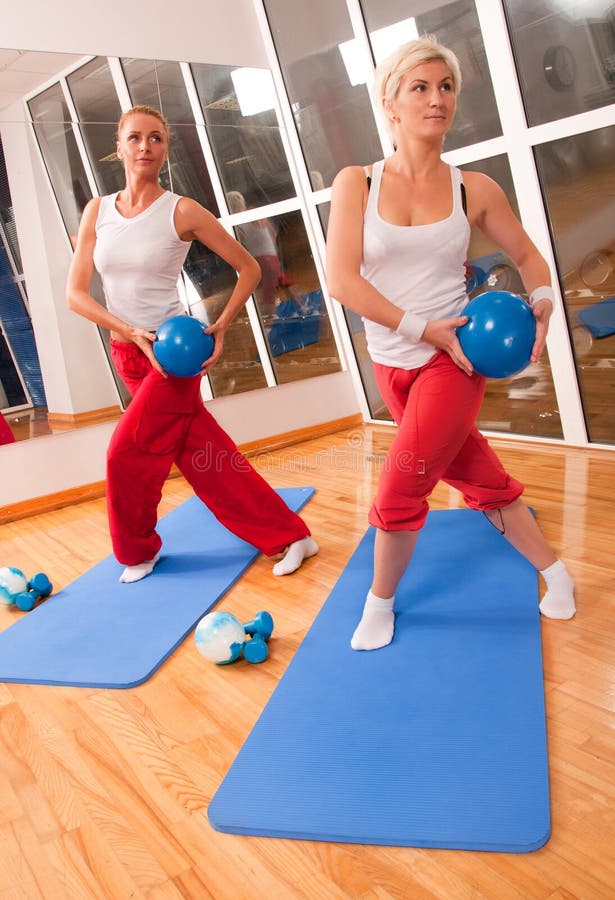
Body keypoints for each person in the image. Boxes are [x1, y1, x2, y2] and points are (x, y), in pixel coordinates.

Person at [326, 38, 575, 650]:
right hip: (392, 363)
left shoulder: (474, 188)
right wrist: (415, 328)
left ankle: (379, 601)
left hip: (454, 358)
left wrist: (542, 305)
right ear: (390, 102)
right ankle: (556, 573)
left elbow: (530, 258)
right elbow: (340, 281)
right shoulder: (356, 183)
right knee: (477, 475)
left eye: (445, 88)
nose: (436, 99)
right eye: (420, 88)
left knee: (401, 482)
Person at [67, 105, 317, 583]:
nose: (145, 146)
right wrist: (122, 328)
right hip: (128, 352)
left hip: (170, 355)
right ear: (118, 148)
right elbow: (76, 295)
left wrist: (220, 326)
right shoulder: (96, 212)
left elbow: (250, 268)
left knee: (124, 454)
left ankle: (138, 551)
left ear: (165, 149)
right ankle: (290, 535)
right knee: (206, 459)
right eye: (135, 138)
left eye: (156, 138)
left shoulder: (180, 210)